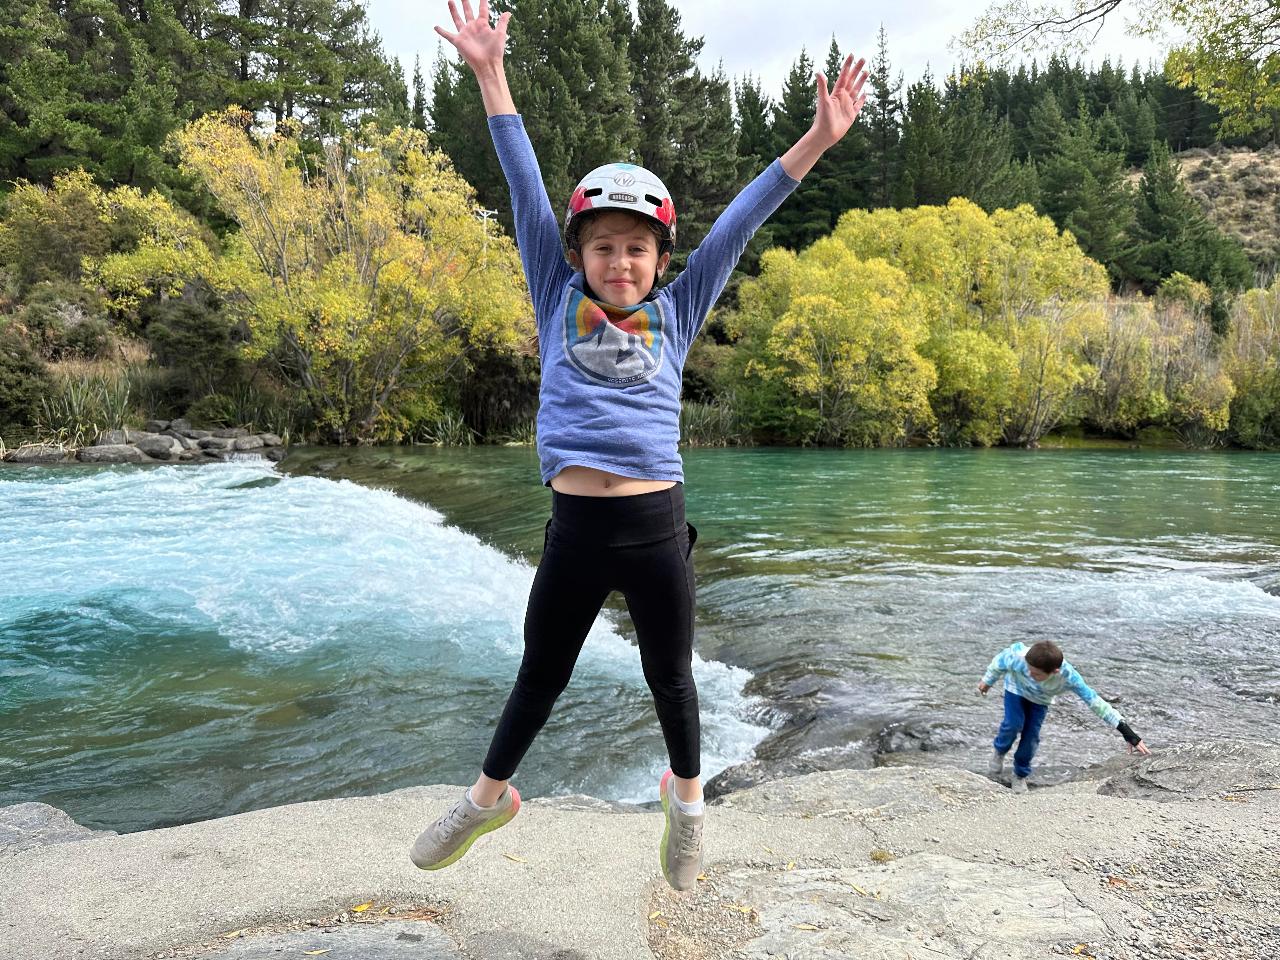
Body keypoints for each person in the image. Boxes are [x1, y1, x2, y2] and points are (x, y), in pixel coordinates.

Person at [409, 0, 868, 890]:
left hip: (657, 530)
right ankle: (487, 797)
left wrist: (815, 141)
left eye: (636, 250)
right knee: (540, 673)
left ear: (661, 261)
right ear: (577, 255)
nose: (620, 261)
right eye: (604, 247)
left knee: (672, 678)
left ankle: (688, 806)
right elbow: (524, 185)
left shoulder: (678, 312)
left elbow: (742, 219)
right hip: (574, 531)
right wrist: (489, 75)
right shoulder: (553, 290)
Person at [978, 639, 1151, 793]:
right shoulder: (1019, 657)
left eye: (1036, 674)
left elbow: (1096, 703)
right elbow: (998, 663)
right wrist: (987, 681)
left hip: (1040, 700)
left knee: (1031, 737)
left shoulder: (1069, 677)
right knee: (1012, 724)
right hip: (1015, 690)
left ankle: (1020, 774)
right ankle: (999, 753)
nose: (1030, 674)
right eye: (1029, 670)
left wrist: (1128, 732)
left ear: (1054, 671)